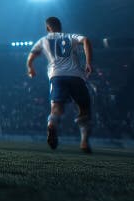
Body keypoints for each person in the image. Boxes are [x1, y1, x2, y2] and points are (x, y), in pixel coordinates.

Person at [26, 16, 94, 153]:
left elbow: (31, 57)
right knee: (84, 109)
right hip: (76, 76)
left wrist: (30, 68)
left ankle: (51, 125)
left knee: (56, 108)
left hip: (56, 76)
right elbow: (86, 40)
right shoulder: (70, 36)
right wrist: (88, 62)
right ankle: (84, 142)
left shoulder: (43, 40)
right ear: (60, 26)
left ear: (47, 28)